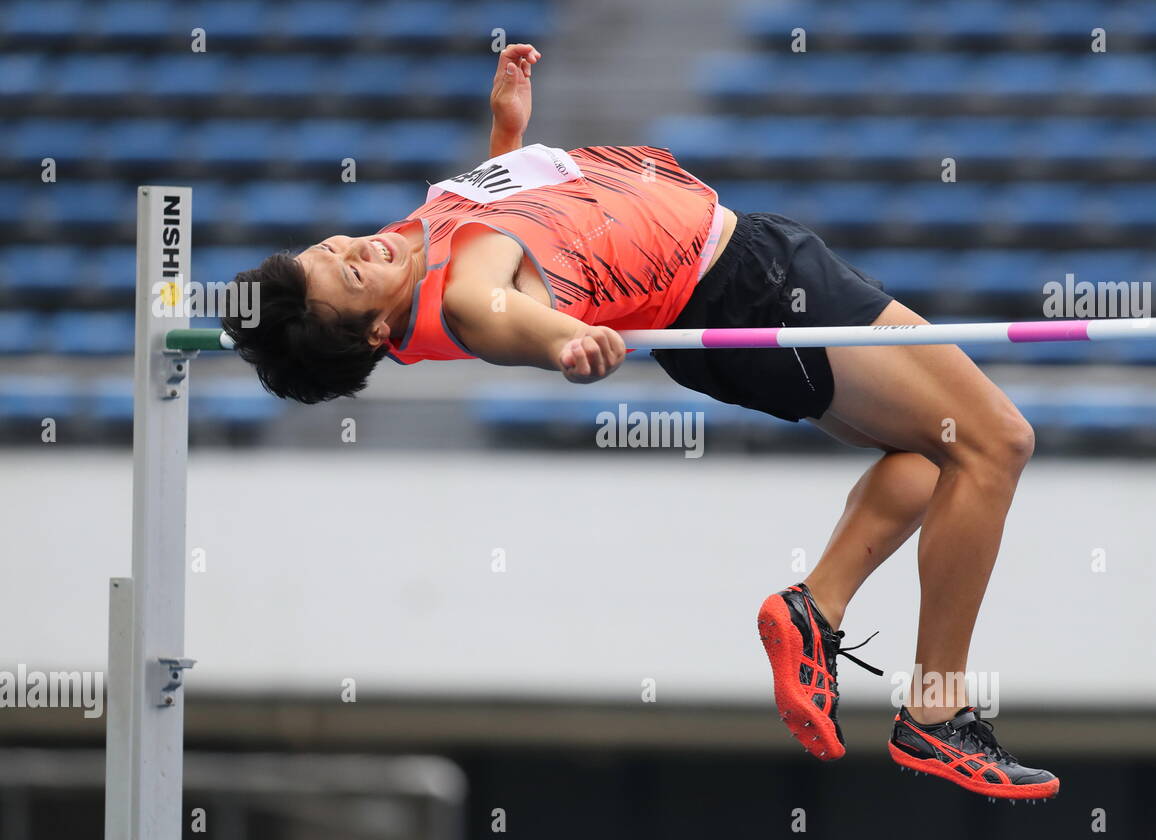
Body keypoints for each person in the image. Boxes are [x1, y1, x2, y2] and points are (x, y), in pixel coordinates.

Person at [224, 43, 1058, 801]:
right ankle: (936, 715)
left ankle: (816, 608)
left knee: (936, 453)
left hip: (741, 278)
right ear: (375, 331)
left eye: (333, 248)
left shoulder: (416, 252)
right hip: (749, 289)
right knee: (997, 443)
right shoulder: (464, 301)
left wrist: (505, 137)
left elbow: (506, 237)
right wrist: (567, 341)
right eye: (351, 278)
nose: (357, 251)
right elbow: (499, 304)